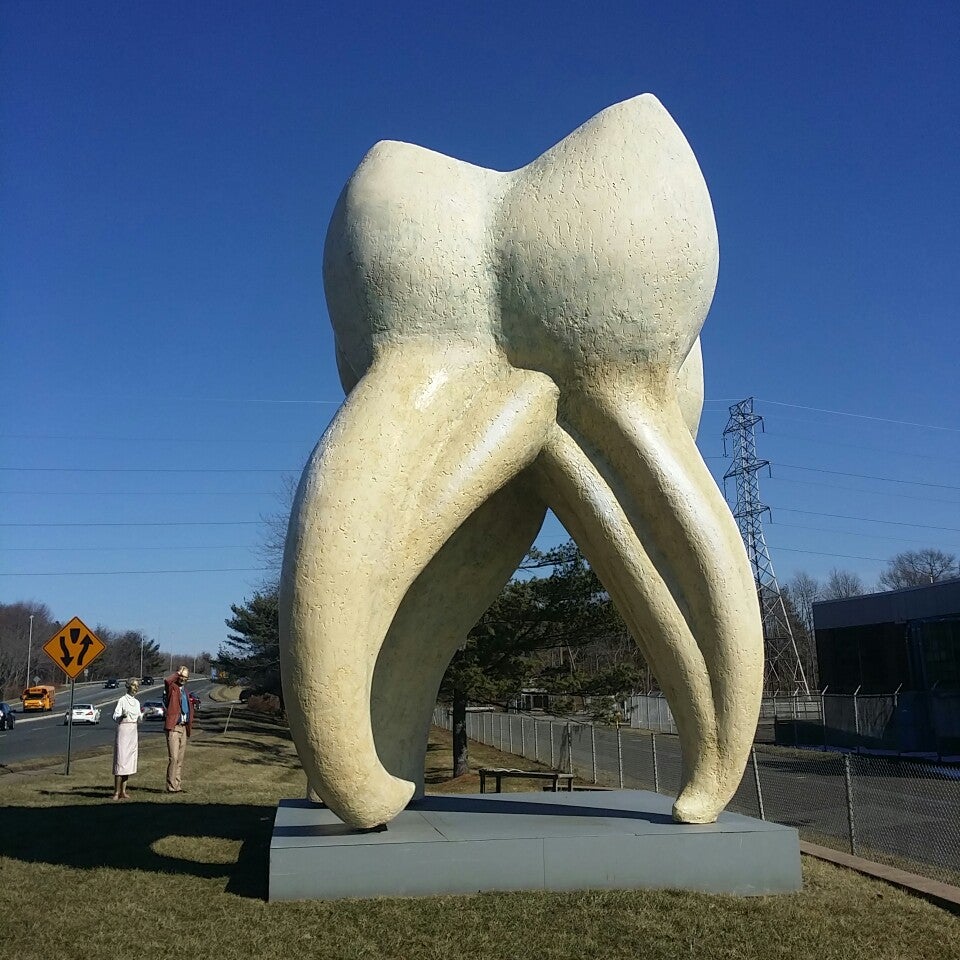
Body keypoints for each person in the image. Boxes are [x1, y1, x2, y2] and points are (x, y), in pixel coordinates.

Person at [163, 665, 195, 793]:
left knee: (180, 759)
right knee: (174, 758)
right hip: (173, 727)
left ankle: (177, 785)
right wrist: (177, 673)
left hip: (183, 727)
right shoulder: (173, 688)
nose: (183, 679)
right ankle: (171, 786)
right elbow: (167, 681)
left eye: (185, 677)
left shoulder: (185, 692)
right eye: (182, 676)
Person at [111, 677, 142, 800]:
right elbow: (115, 716)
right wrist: (121, 715)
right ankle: (116, 792)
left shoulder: (137, 702)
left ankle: (123, 791)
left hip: (133, 731)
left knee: (129, 761)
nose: (136, 688)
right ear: (128, 686)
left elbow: (139, 718)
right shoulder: (122, 700)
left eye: (137, 685)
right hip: (123, 730)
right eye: (134, 685)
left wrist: (145, 714)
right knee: (121, 760)